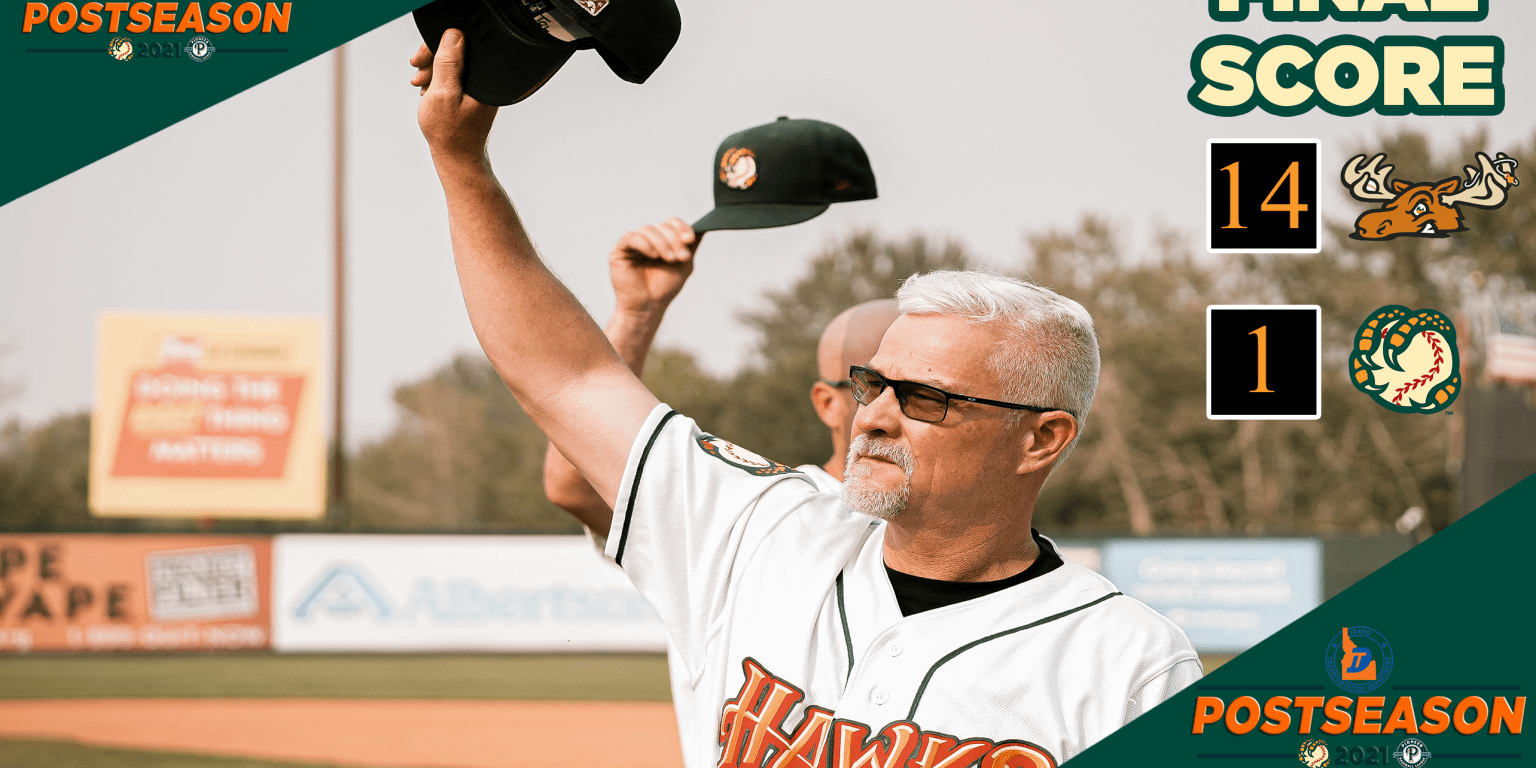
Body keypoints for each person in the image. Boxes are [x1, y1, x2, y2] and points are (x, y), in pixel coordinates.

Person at [411, 31, 1200, 767]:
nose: (877, 414)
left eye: (925, 397)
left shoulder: (1127, 663)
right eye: (874, 384)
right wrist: (462, 163)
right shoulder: (762, 533)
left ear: (1042, 438)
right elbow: (568, 378)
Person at [539, 215, 898, 765]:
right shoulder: (755, 510)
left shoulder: (976, 544)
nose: (902, 403)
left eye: (931, 386)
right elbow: (575, 483)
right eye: (875, 382)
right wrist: (637, 313)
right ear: (828, 402)